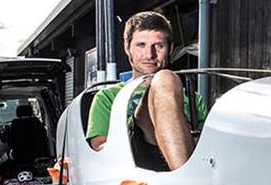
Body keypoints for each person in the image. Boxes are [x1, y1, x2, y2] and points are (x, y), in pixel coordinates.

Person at [85, 11, 206, 171]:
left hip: (181, 158)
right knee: (164, 79)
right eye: (141, 45)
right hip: (135, 162)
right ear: (127, 48)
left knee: (165, 80)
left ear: (170, 49)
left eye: (158, 46)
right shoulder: (107, 97)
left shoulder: (192, 98)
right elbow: (100, 148)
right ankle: (185, 176)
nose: (149, 54)